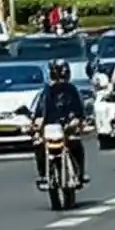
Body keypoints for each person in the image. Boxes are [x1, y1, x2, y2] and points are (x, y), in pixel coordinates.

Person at [31, 59, 89, 188]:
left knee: (75, 143)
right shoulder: (46, 92)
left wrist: (79, 121)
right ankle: (43, 174)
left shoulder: (72, 90)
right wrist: (36, 123)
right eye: (58, 76)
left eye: (63, 75)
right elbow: (39, 111)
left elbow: (79, 109)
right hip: (50, 127)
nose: (60, 80)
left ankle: (80, 173)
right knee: (38, 144)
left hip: (67, 126)